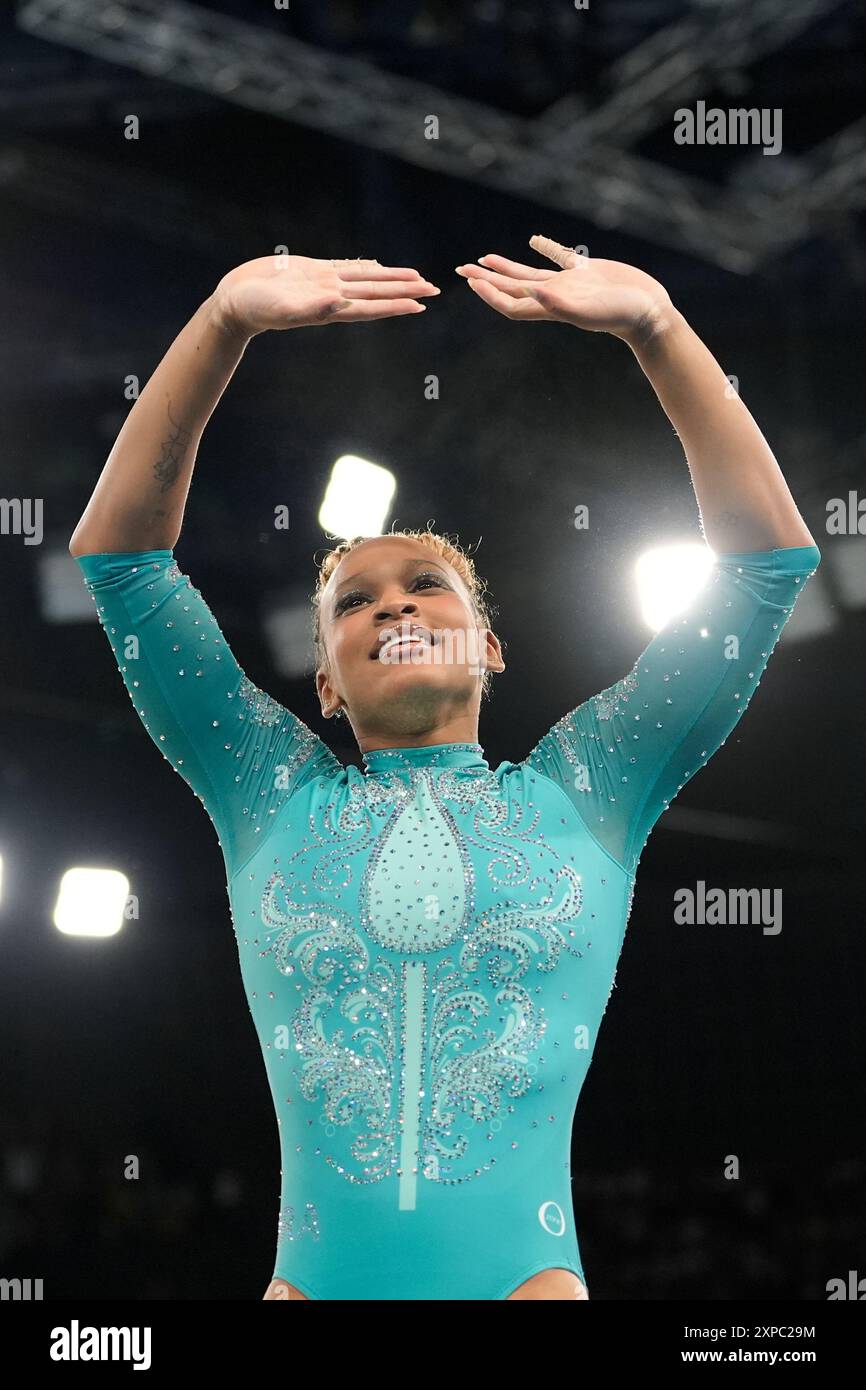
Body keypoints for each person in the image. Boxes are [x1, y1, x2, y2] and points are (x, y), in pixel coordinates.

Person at [69, 242, 820, 1300]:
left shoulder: (587, 790)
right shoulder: (265, 790)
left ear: (491, 648)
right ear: (324, 681)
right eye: (356, 603)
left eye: (428, 585)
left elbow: (763, 569)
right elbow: (122, 561)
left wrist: (658, 331)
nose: (395, 606)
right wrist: (220, 323)